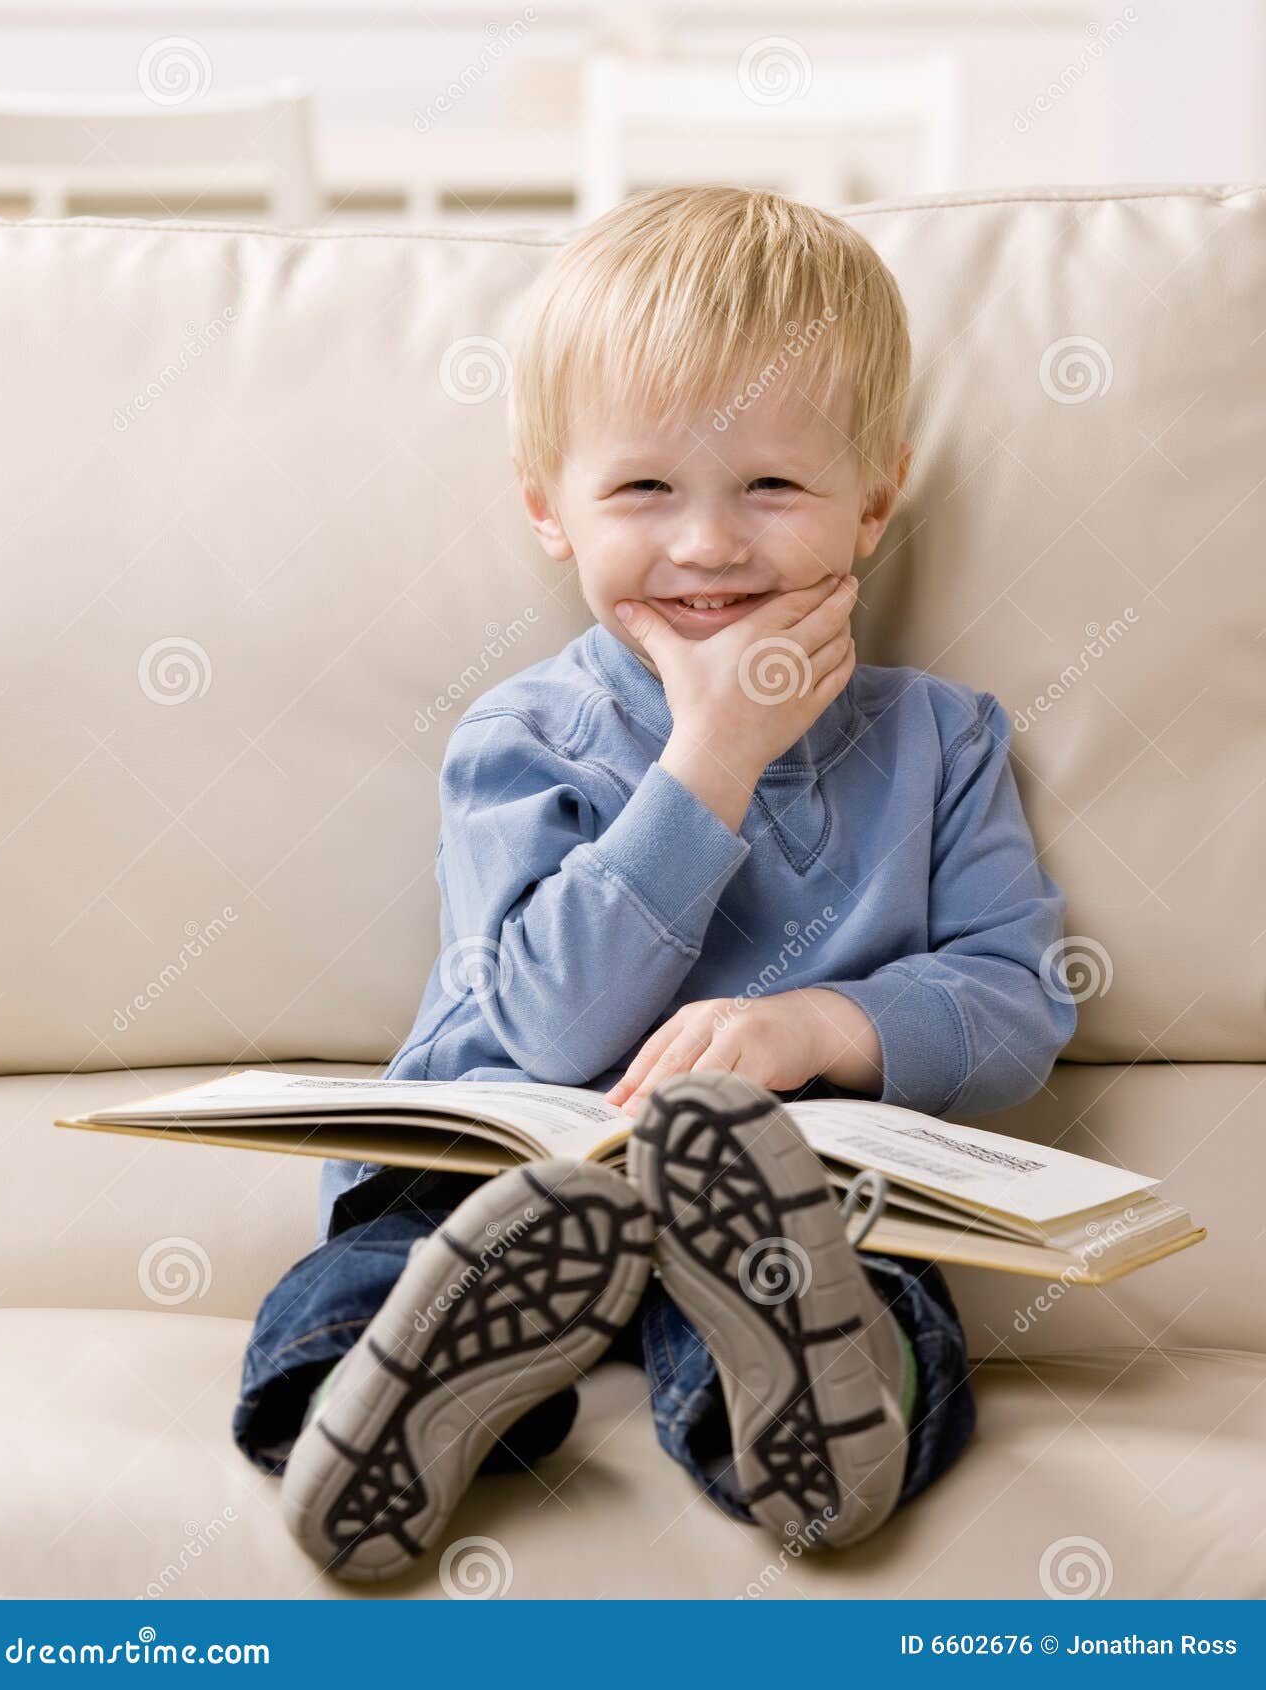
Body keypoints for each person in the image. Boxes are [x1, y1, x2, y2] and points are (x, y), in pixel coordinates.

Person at [231, 185, 1077, 1583]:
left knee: (861, 1291)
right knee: (371, 1278)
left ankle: (805, 1435)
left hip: (777, 1199)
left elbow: (1018, 1000)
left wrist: (819, 1025)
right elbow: (550, 1023)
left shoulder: (943, 740)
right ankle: (384, 1405)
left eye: (772, 487)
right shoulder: (523, 736)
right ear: (548, 508)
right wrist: (712, 758)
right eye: (644, 490)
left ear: (874, 502)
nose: (707, 545)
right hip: (492, 1179)